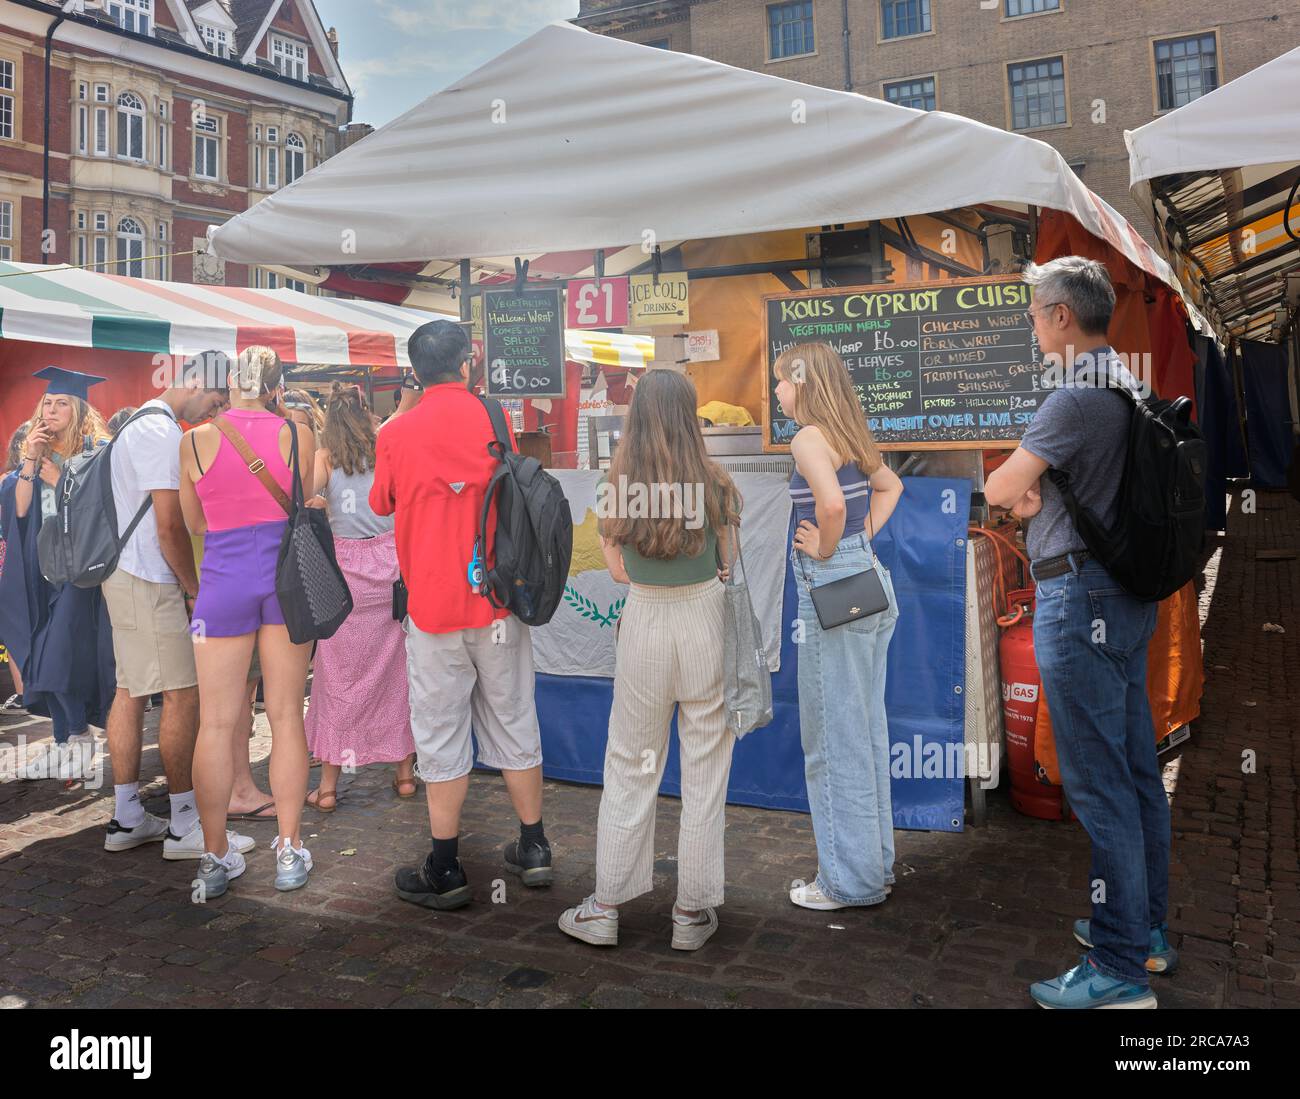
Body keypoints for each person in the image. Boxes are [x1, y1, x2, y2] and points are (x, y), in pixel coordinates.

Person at [985, 256, 1172, 1010]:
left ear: (1062, 314)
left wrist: (1019, 492)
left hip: (1079, 597)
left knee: (1099, 789)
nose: (1031, 326)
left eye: (1034, 313)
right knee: (1133, 774)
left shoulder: (1072, 393)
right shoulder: (1125, 380)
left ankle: (1120, 967)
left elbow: (1001, 487)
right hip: (1124, 594)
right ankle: (1145, 932)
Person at [557, 369, 742, 951]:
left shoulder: (618, 482)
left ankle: (606, 905)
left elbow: (616, 570)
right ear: (691, 416)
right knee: (706, 770)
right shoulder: (715, 480)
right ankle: (691, 913)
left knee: (631, 764)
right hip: (705, 620)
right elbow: (727, 565)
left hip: (645, 623)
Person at [372, 320, 551, 911]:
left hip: (432, 607)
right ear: (469, 362)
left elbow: (382, 501)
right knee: (514, 716)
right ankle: (534, 846)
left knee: (440, 731)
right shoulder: (494, 420)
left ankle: (446, 867)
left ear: (415, 371)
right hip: (499, 597)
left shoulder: (396, 431)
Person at [97, 353, 256, 860]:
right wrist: (191, 586)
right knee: (182, 695)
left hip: (128, 572)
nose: (218, 406)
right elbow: (168, 525)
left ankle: (128, 816)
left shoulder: (143, 424)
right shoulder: (161, 432)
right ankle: (185, 822)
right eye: (216, 395)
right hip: (150, 575)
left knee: (131, 690)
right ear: (192, 381)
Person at [180, 346, 316, 897]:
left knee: (215, 722)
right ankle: (288, 848)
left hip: (222, 579)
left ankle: (213, 858)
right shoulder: (296, 435)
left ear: (231, 382)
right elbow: (303, 503)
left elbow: (195, 522)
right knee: (286, 716)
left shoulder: (193, 440)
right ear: (276, 387)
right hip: (284, 578)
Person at [773, 343, 904, 912]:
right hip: (869, 582)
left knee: (832, 739)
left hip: (833, 588)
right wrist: (857, 542)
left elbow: (828, 505)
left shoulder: (806, 438)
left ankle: (848, 883)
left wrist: (828, 548)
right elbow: (890, 487)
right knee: (866, 732)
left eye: (781, 382)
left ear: (801, 384)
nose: (777, 391)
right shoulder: (850, 431)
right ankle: (873, 866)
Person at [303, 382, 416, 810]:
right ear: (366, 411)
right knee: (396, 673)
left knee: (337, 676)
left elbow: (308, 502)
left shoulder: (325, 458)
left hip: (344, 575)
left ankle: (329, 787)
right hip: (390, 566)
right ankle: (404, 775)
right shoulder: (384, 447)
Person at [0, 369, 116, 748]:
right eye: (47, 403)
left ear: (78, 409)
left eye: (61, 403)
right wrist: (31, 462)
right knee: (41, 654)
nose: (51, 410)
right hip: (42, 566)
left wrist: (60, 479)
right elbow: (19, 512)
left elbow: (102, 507)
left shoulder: (95, 449)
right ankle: (67, 739)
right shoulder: (38, 454)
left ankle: (78, 733)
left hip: (80, 568)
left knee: (58, 655)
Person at [1, 424, 30, 714]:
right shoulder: (10, 482)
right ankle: (25, 691)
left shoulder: (6, 481)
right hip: (14, 560)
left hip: (10, 560)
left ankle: (25, 692)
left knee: (15, 630)